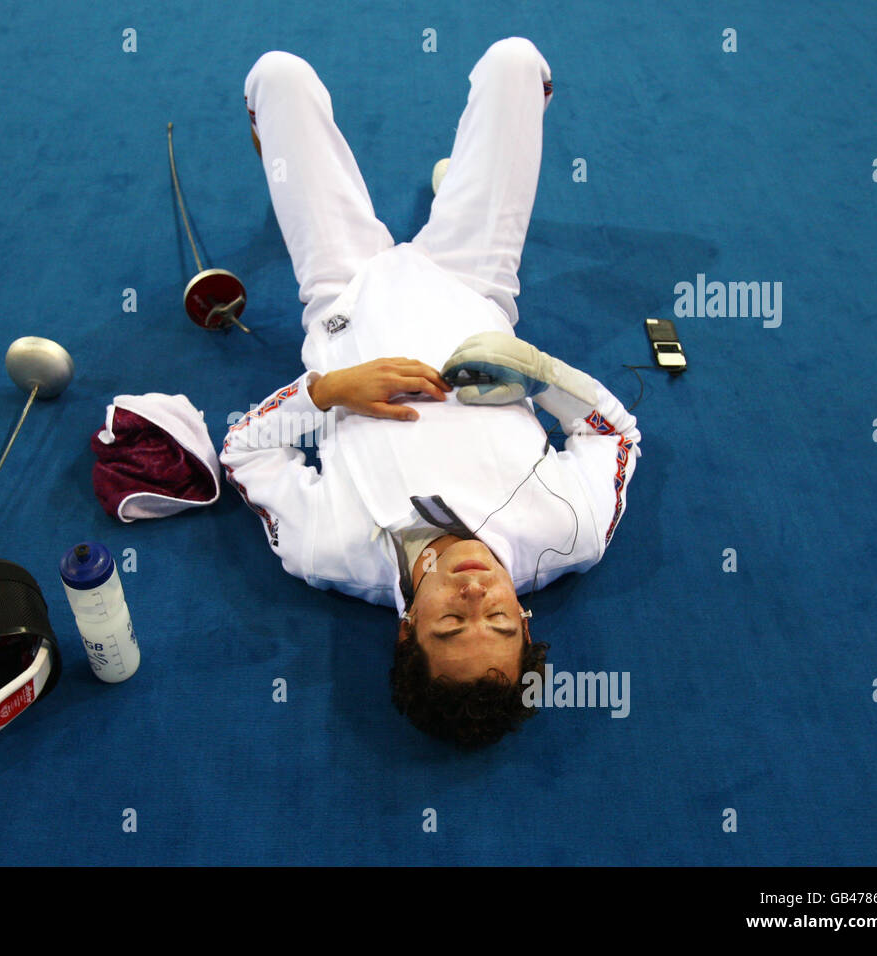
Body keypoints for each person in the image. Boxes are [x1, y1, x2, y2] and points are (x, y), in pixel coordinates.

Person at [220, 39, 641, 748]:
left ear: (408, 628)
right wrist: (536, 374)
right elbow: (615, 435)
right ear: (527, 622)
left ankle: (306, 164)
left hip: (343, 293)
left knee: (278, 75)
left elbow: (242, 452)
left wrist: (324, 391)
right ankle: (456, 197)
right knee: (515, 61)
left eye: (452, 622)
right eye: (502, 622)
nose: (478, 597)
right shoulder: (569, 532)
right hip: (472, 285)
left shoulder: (327, 549)